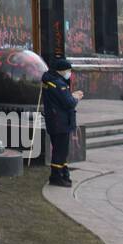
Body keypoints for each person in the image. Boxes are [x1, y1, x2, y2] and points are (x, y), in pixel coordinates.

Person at [41, 57, 83, 187]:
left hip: (57, 121)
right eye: (68, 70)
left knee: (61, 150)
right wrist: (75, 98)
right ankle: (56, 176)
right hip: (60, 122)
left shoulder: (53, 81)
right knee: (60, 151)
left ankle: (63, 174)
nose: (69, 73)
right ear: (61, 70)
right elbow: (68, 103)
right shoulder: (58, 84)